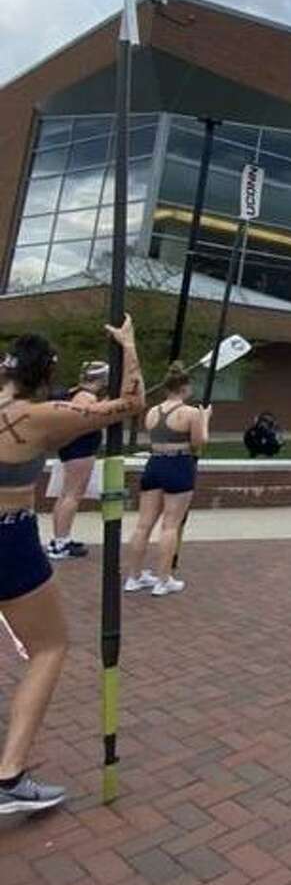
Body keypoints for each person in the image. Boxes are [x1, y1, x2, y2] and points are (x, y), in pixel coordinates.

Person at [0, 318, 144, 815]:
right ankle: (9, 774)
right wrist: (128, 348)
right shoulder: (43, 416)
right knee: (50, 645)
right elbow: (130, 405)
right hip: (8, 537)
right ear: (45, 374)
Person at [123, 363, 209, 598]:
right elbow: (199, 442)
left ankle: (134, 576)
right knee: (170, 525)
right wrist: (206, 419)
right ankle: (163, 580)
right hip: (179, 465)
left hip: (155, 464)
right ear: (184, 387)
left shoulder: (152, 412)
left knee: (143, 524)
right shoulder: (190, 413)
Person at [46, 359, 109, 560]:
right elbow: (82, 422)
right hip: (80, 450)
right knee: (73, 495)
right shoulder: (86, 397)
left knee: (67, 494)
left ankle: (60, 538)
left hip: (75, 450)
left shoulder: (76, 393)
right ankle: (61, 542)